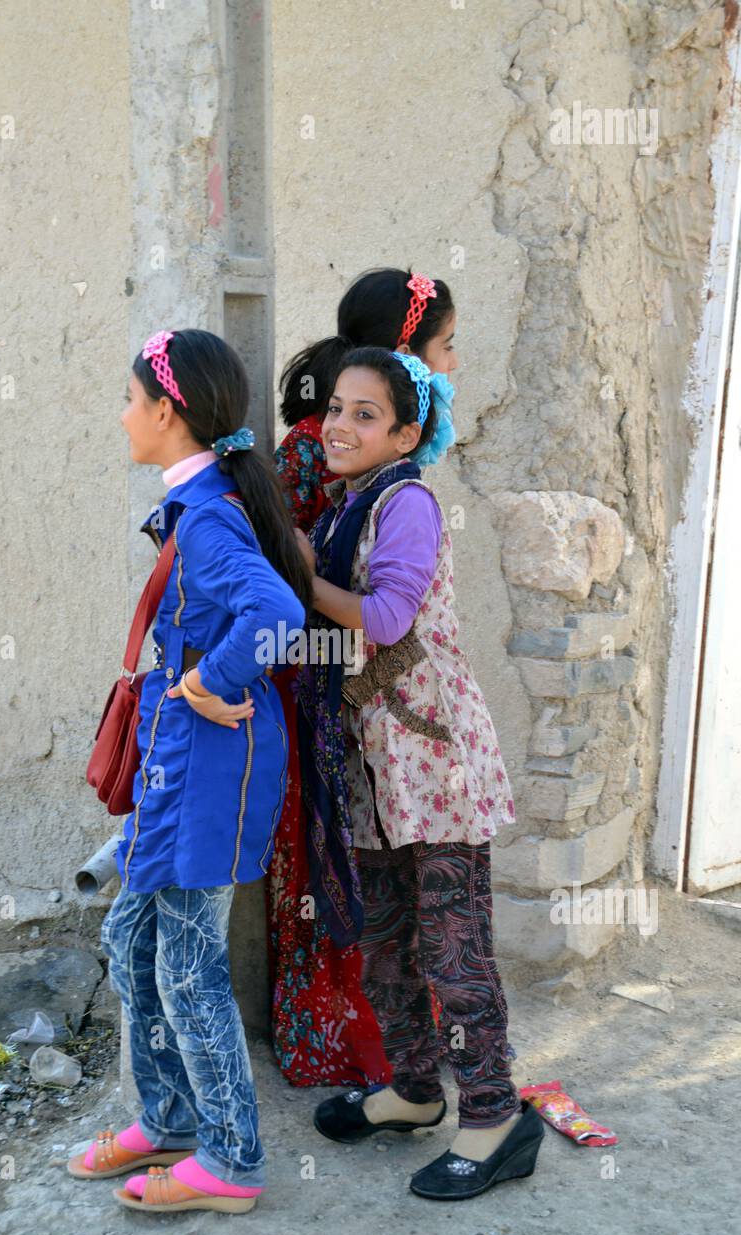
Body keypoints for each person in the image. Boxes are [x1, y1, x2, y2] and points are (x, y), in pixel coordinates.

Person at [67, 328, 310, 1214]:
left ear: (167, 413)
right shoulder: (200, 497)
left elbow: (277, 613)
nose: (123, 415)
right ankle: (169, 1117)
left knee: (187, 963)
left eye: (132, 400)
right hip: (181, 764)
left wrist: (210, 677)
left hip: (208, 769)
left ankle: (233, 1161)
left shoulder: (207, 515)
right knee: (129, 940)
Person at [296, 344, 544, 1200]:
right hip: (375, 768)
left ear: (405, 434)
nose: (339, 426)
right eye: (335, 408)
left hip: (431, 758)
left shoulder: (404, 503)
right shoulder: (346, 505)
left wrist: (297, 568)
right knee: (384, 941)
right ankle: (411, 1089)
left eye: (365, 415)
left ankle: (493, 1116)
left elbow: (389, 616)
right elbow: (337, 641)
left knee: (452, 946)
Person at [267, 269, 458, 1088]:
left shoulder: (349, 440)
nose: (452, 362)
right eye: (445, 347)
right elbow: (354, 600)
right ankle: (358, 1046)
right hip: (329, 687)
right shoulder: (331, 442)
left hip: (345, 685)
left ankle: (382, 1047)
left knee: (354, 862)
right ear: (406, 353)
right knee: (344, 862)